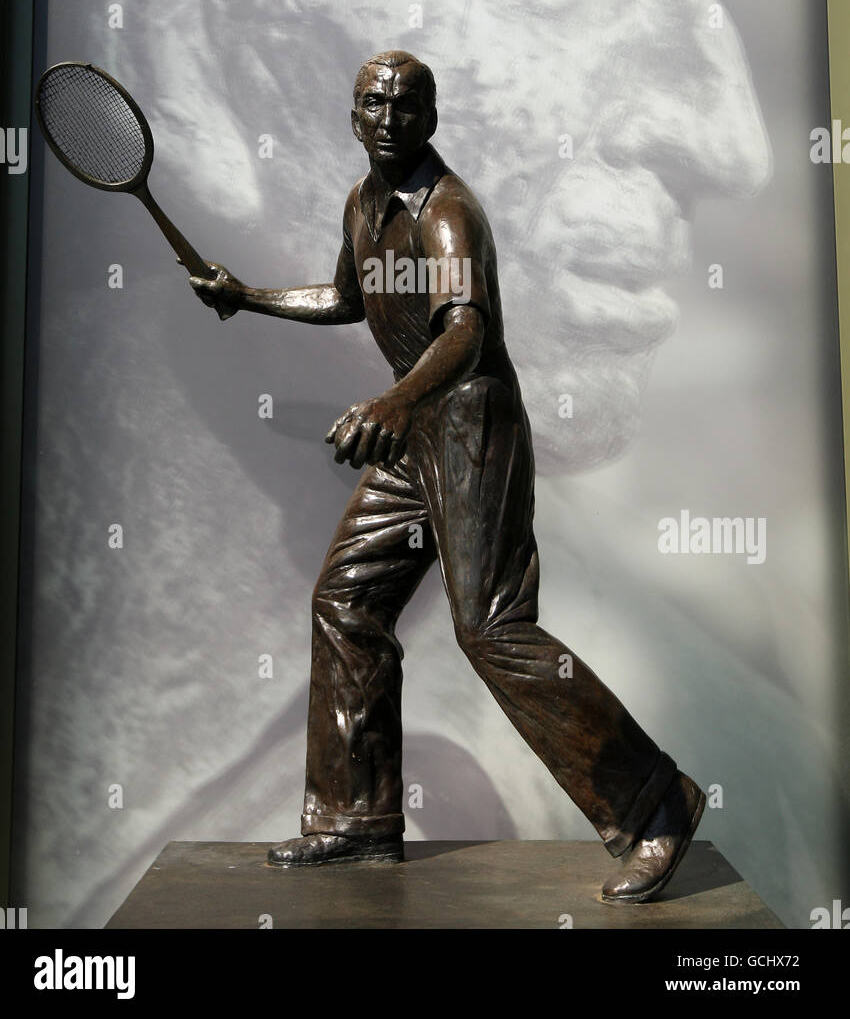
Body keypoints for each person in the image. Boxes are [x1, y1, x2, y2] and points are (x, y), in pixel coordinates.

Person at [190, 48, 706, 904]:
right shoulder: (363, 203)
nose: (387, 120)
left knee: (493, 629)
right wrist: (246, 295)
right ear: (352, 114)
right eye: (371, 104)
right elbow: (350, 298)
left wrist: (393, 403)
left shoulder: (448, 212)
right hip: (417, 431)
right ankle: (355, 823)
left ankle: (655, 805)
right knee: (346, 600)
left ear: (431, 118)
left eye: (405, 107)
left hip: (471, 431)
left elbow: (466, 328)